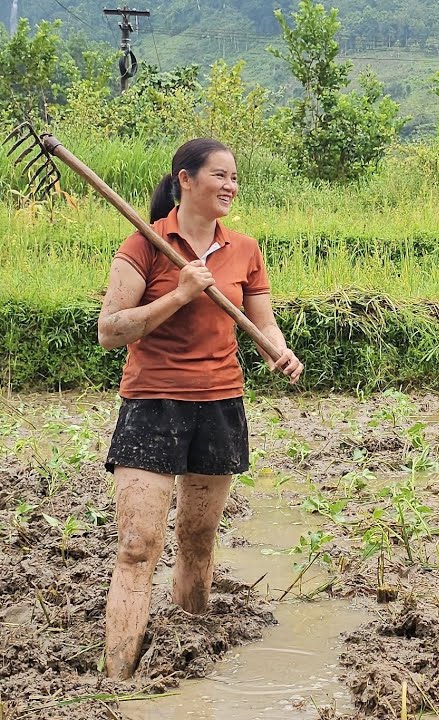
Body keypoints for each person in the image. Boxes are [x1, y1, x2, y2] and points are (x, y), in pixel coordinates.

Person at [96, 138, 304, 678]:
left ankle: (188, 666)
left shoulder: (244, 249)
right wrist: (181, 293)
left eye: (235, 176)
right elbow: (111, 331)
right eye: (220, 174)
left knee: (197, 540)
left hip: (220, 403)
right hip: (154, 402)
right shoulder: (144, 244)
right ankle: (115, 676)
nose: (230, 185)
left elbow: (262, 322)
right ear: (184, 180)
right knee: (139, 546)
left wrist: (277, 350)